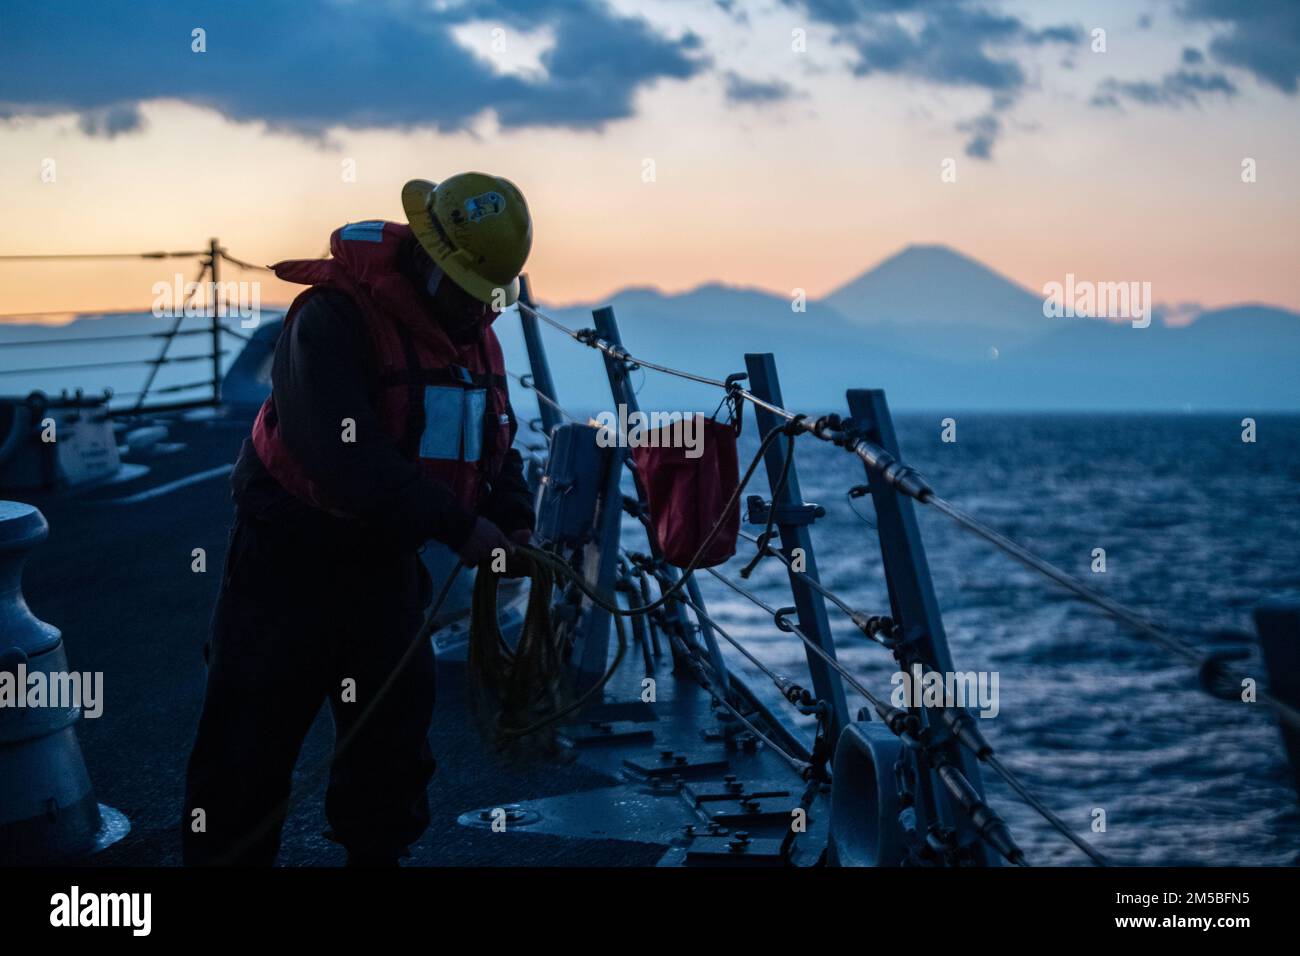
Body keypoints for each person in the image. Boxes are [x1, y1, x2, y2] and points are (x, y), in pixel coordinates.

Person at [181, 173, 536, 866]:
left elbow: (491, 439)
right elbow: (343, 453)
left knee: (392, 743)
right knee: (247, 744)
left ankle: (378, 857)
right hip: (286, 561)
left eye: (486, 295)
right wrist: (461, 531)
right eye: (466, 288)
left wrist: (511, 517)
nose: (476, 309)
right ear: (429, 261)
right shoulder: (330, 319)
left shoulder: (471, 338)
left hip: (385, 567)